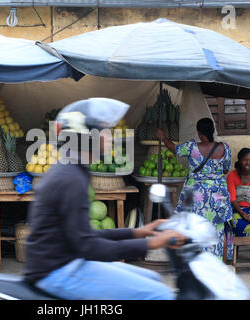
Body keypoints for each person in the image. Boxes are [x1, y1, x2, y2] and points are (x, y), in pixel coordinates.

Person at [23, 98, 187, 300]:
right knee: (159, 294)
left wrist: (139, 231)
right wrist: (151, 243)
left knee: (151, 278)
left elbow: (86, 235)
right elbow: (89, 246)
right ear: (87, 137)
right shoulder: (71, 179)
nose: (109, 137)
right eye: (104, 131)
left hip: (65, 262)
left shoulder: (72, 171)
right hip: (58, 271)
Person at [156, 118, 233, 261]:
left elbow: (174, 149)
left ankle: (196, 259)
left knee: (194, 225)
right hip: (218, 195)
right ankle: (214, 261)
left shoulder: (192, 147)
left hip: (197, 195)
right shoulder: (225, 148)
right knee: (216, 227)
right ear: (212, 131)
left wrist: (163, 137)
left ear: (199, 132)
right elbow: (226, 169)